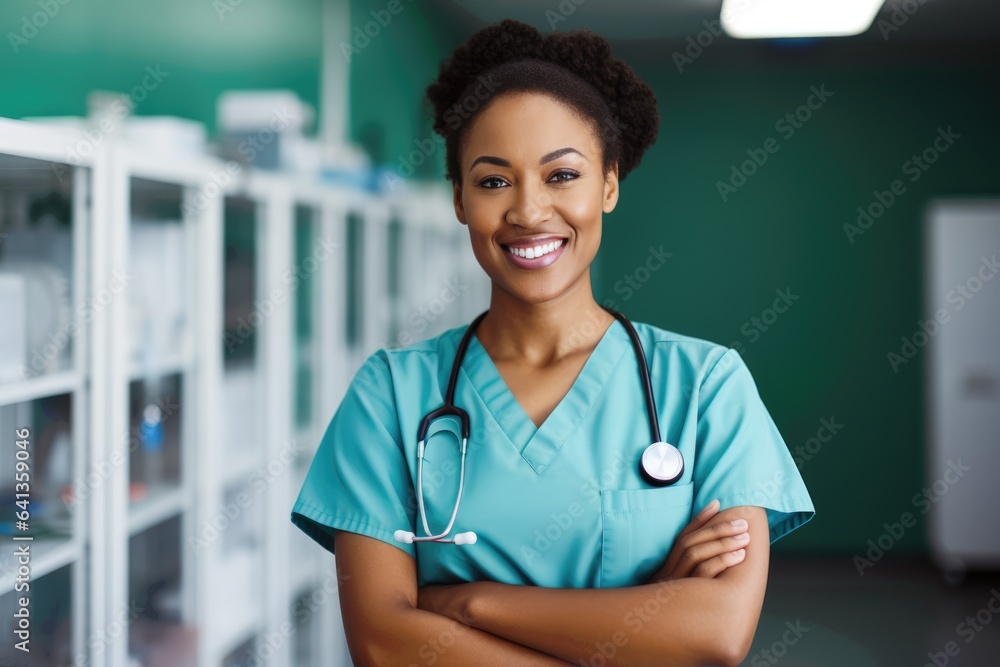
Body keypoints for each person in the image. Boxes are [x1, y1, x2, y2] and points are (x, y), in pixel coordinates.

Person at [291, 18, 815, 666]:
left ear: (609, 184)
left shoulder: (706, 386)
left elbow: (714, 632)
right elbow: (384, 643)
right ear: (458, 198)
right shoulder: (391, 395)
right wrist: (644, 618)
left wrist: (467, 603)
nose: (529, 211)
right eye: (492, 180)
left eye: (561, 175)